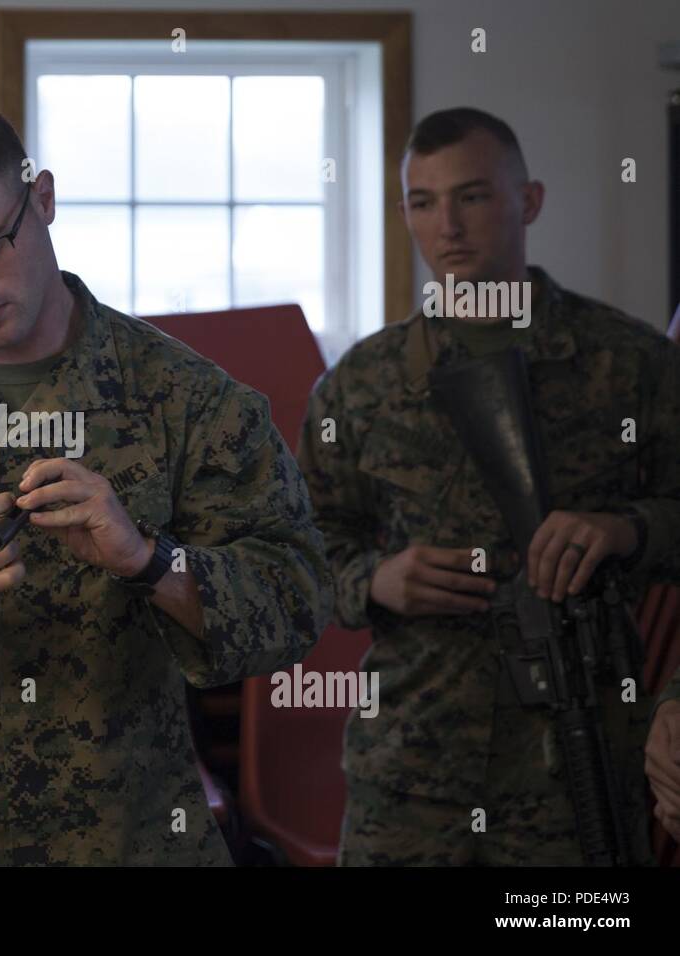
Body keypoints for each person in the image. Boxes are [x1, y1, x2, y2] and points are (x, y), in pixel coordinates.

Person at [0, 100, 334, 865]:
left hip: (135, 838)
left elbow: (296, 600)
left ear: (41, 199)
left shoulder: (189, 400)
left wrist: (149, 561)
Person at [298, 107, 680, 864]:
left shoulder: (630, 364)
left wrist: (628, 529)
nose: (448, 227)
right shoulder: (362, 385)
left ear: (528, 201)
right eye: (423, 202)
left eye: (472, 196)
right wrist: (378, 580)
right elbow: (296, 552)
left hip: (578, 767)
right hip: (412, 770)